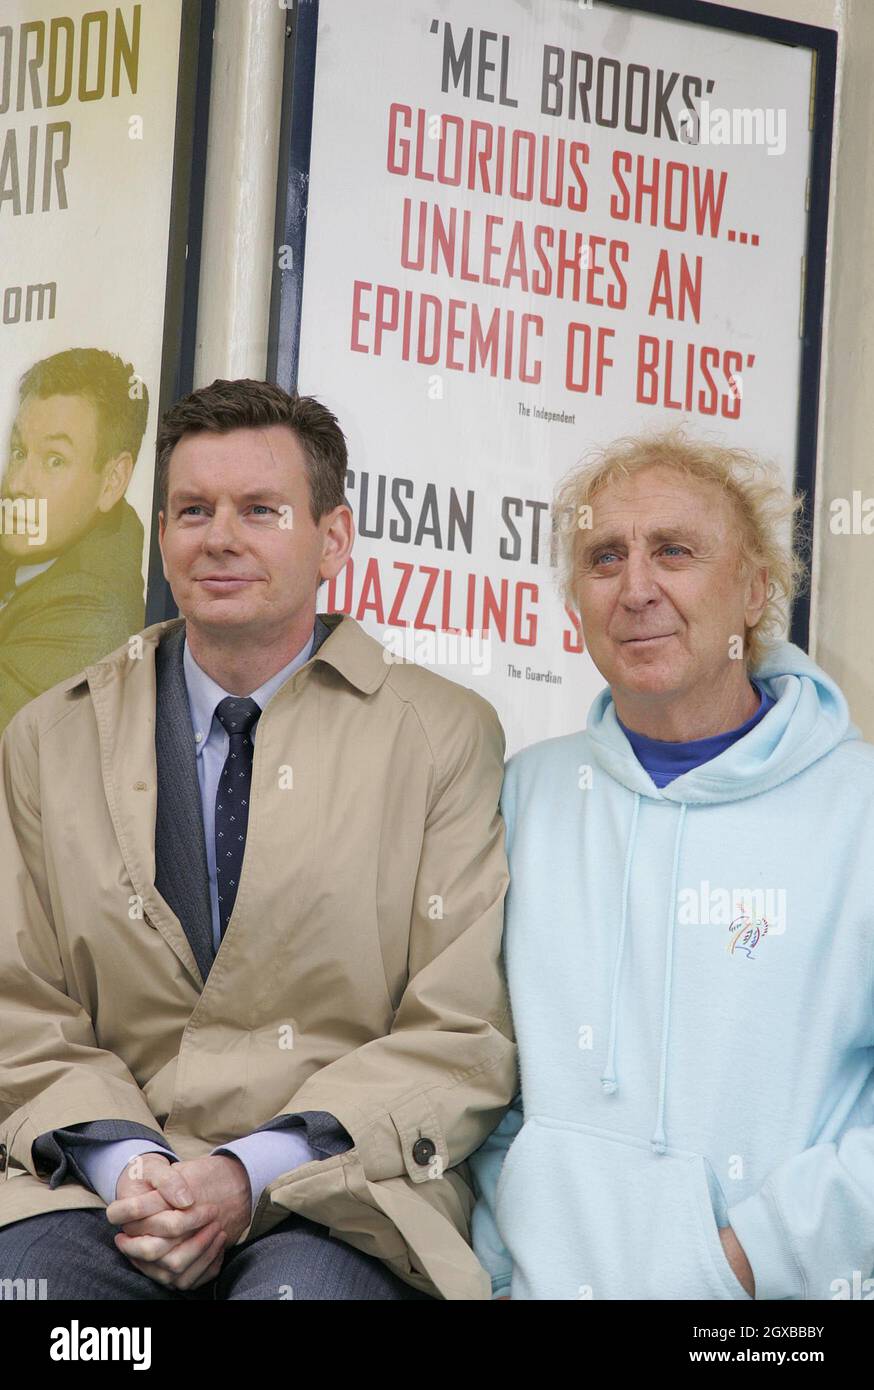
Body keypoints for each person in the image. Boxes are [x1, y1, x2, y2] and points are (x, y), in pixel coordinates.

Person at [0, 378, 515, 1300]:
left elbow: (460, 1029)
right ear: (161, 535)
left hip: (340, 1193)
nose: (221, 537)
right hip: (100, 1186)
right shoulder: (48, 737)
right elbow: (19, 1005)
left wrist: (245, 1173)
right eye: (193, 510)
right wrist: (129, 1167)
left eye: (261, 510)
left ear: (334, 538)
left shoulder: (441, 737)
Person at [469, 426, 874, 1301]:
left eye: (675, 552)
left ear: (756, 590)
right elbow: (475, 1067)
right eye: (603, 557)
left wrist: (750, 1260)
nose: (637, 588)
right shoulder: (521, 798)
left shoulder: (860, 813)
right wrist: (499, 1265)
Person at [0, 347, 148, 734]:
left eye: (54, 460)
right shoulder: (43, 543)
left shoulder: (93, 613)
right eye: (18, 452)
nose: (15, 484)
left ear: (113, 480)